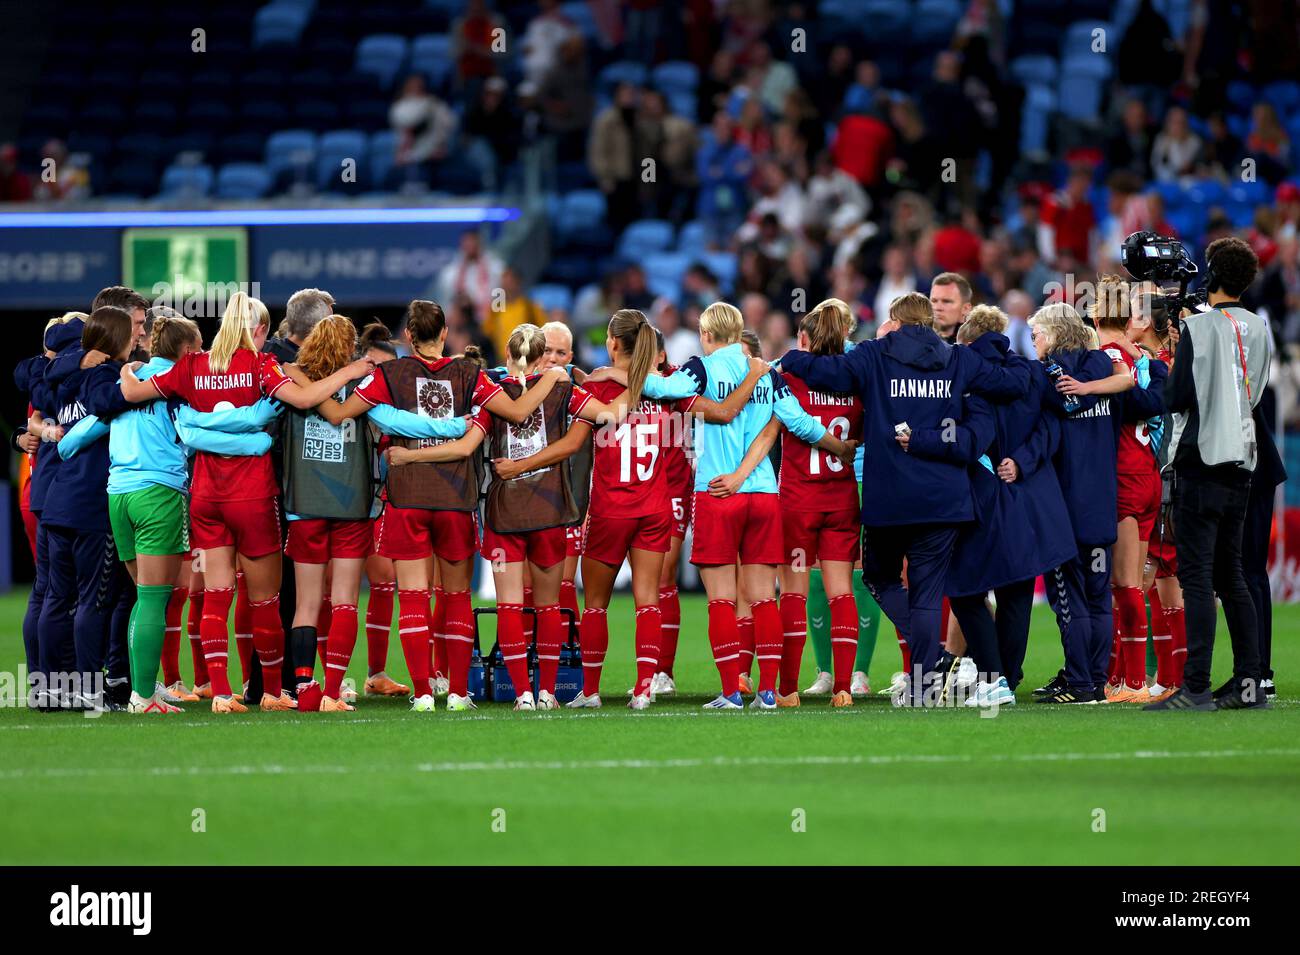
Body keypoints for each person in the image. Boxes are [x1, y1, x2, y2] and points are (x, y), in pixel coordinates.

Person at [118, 293, 375, 714]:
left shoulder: (191, 366)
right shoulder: (260, 365)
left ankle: (220, 692)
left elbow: (132, 394)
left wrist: (128, 370)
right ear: (257, 331)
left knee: (217, 594)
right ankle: (272, 691)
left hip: (206, 496)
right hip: (253, 496)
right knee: (265, 601)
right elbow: (308, 401)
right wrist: (351, 370)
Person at [311, 300, 564, 712]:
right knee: (458, 595)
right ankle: (460, 694)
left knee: (413, 596)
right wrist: (552, 378)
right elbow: (518, 412)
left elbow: (339, 414)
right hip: (454, 500)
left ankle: (425, 694)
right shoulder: (470, 373)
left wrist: (308, 384)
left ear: (408, 336)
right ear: (445, 333)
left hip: (408, 498)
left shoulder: (388, 375)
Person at [780, 292, 1030, 706]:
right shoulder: (956, 358)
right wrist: (1013, 353)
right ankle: (923, 685)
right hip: (945, 498)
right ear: (929, 322)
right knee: (930, 594)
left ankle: (926, 664)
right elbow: (1012, 383)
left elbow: (828, 373)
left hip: (890, 497)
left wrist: (789, 359)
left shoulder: (875, 355)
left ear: (894, 321)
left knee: (880, 578)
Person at [640, 301, 854, 710]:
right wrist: (839, 447)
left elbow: (662, 389)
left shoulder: (702, 369)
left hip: (719, 493)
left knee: (721, 599)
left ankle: (731, 692)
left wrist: (621, 374)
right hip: (764, 496)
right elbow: (803, 424)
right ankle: (770, 692)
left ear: (706, 335)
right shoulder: (770, 376)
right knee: (762, 598)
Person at [546, 311, 765, 709]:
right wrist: (753, 376)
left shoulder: (595, 388)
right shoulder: (670, 389)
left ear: (613, 343)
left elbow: (572, 440)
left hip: (611, 508)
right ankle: (645, 688)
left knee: (595, 602)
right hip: (655, 508)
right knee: (649, 598)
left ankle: (591, 692)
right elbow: (719, 412)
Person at [1149, 237, 1273, 711]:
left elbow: (1176, 398)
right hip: (1242, 461)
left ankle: (1195, 686)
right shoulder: (1260, 326)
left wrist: (1181, 348)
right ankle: (1249, 684)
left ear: (1213, 277)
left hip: (1200, 460)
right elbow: (1256, 391)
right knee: (1233, 578)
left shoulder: (1198, 328)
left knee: (1197, 578)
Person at [938, 307, 1076, 706]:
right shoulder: (1033, 374)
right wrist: (1023, 460)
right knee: (1015, 592)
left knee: (964, 590)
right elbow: (1051, 427)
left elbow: (966, 438)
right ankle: (1006, 681)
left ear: (967, 341)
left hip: (980, 496)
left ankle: (993, 677)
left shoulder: (964, 377)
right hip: (1026, 496)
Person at [774, 300, 864, 707]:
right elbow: (861, 436)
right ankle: (844, 687)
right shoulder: (857, 382)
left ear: (805, 339)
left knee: (793, 592)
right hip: (842, 499)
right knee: (841, 593)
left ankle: (788, 688)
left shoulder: (790, 376)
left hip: (798, 501)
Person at [929, 272, 973, 343]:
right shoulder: (917, 342)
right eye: (934, 301)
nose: (937, 308)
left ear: (965, 309)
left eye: (946, 301)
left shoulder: (977, 348)